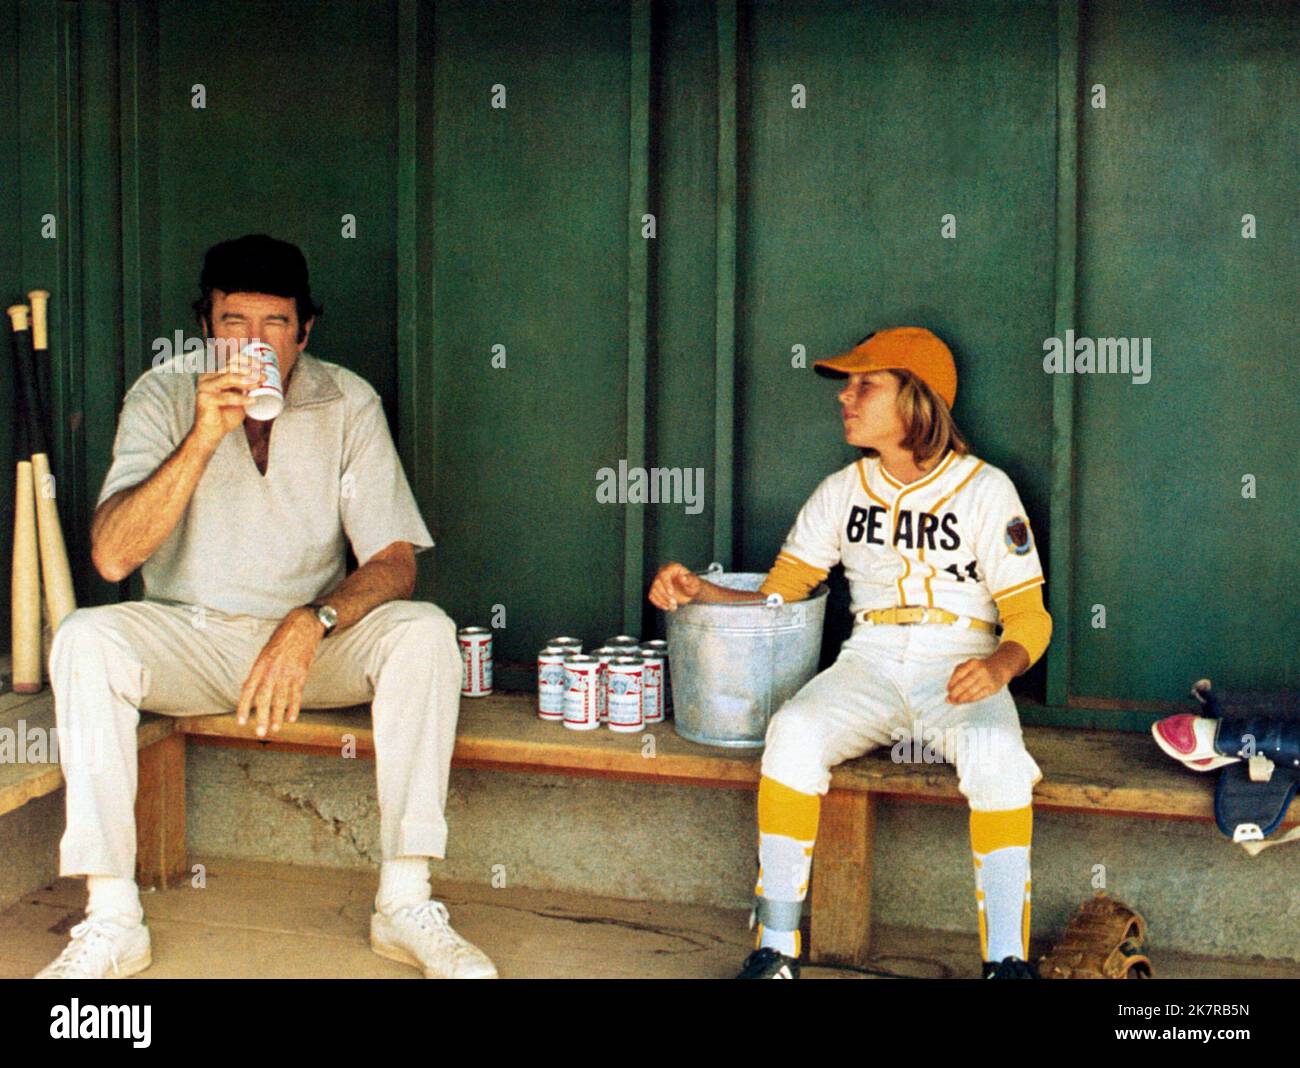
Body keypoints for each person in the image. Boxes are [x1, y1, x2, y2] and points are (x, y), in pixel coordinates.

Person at [37, 234, 496, 979]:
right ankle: (112, 916)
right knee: (86, 640)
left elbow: (394, 563)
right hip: (190, 637)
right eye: (233, 323)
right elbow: (114, 556)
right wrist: (200, 437)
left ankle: (405, 901)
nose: (253, 343)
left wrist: (311, 620)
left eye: (275, 325)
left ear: (305, 330)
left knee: (425, 634)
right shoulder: (162, 393)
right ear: (206, 325)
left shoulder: (346, 399)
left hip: (307, 653)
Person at [648, 327, 1052, 979]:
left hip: (960, 662)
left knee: (999, 760)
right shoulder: (843, 491)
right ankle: (775, 951)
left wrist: (1000, 666)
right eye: (847, 384)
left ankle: (1006, 962)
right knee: (792, 734)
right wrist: (701, 590)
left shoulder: (986, 489)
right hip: (868, 658)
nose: (847, 397)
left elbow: (1030, 615)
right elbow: (781, 596)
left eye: (867, 385)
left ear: (917, 402)